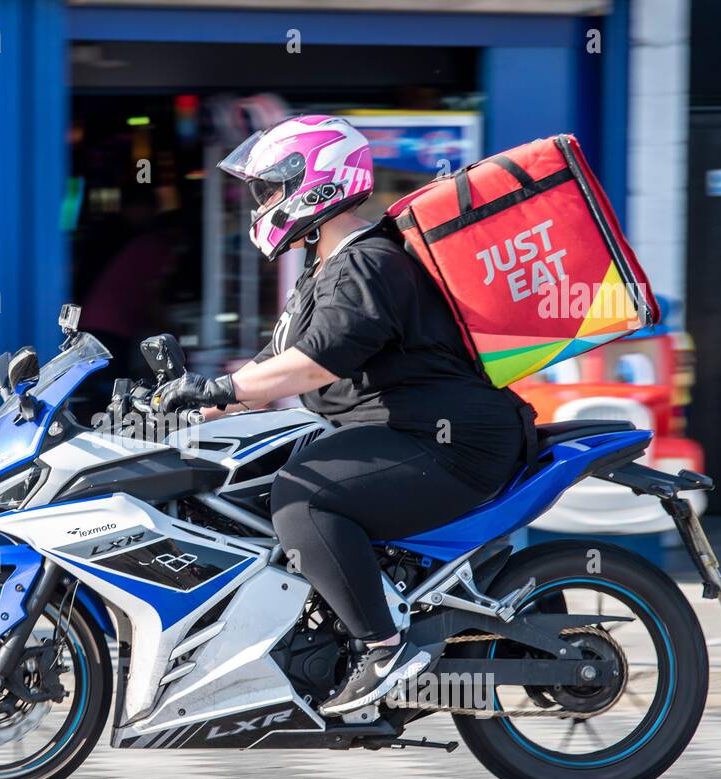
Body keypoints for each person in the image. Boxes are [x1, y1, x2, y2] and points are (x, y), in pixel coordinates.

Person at [153, 115, 535, 714]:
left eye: (272, 188)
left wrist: (213, 386)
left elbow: (311, 367)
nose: (264, 203)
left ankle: (384, 648)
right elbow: (271, 371)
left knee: (302, 497)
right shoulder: (325, 272)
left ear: (317, 184)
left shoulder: (367, 264)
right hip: (407, 437)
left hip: (450, 443)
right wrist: (167, 407)